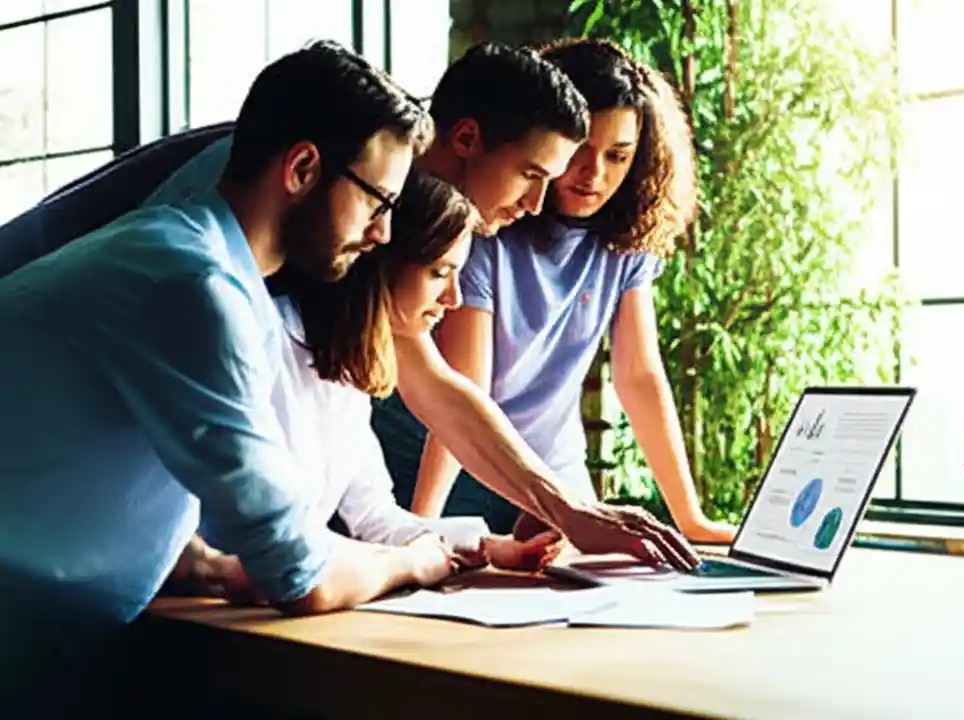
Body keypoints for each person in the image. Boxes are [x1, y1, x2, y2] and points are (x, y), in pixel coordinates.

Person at [0, 41, 697, 572]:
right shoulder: (290, 205)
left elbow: (432, 386)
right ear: (465, 143)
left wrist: (561, 512)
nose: (535, 206)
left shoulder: (375, 223)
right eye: (530, 175)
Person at [0, 41, 456, 707]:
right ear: (302, 168)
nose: (384, 233)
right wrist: (415, 560)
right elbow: (301, 577)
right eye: (375, 200)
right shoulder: (194, 286)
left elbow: (88, 480)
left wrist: (210, 566)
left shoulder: (176, 253)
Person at [167, 167, 565, 600]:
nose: (454, 298)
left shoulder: (346, 372)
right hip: (201, 602)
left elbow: (375, 518)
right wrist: (408, 564)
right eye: (438, 272)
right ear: (383, 260)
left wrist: (489, 548)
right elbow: (263, 540)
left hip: (272, 596)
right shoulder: (263, 340)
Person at [401, 38, 736, 543]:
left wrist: (689, 518)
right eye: (578, 153)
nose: (593, 175)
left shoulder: (623, 243)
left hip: (554, 472)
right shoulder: (485, 223)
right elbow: (458, 391)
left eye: (618, 157)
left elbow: (640, 376)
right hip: (461, 470)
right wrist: (421, 525)